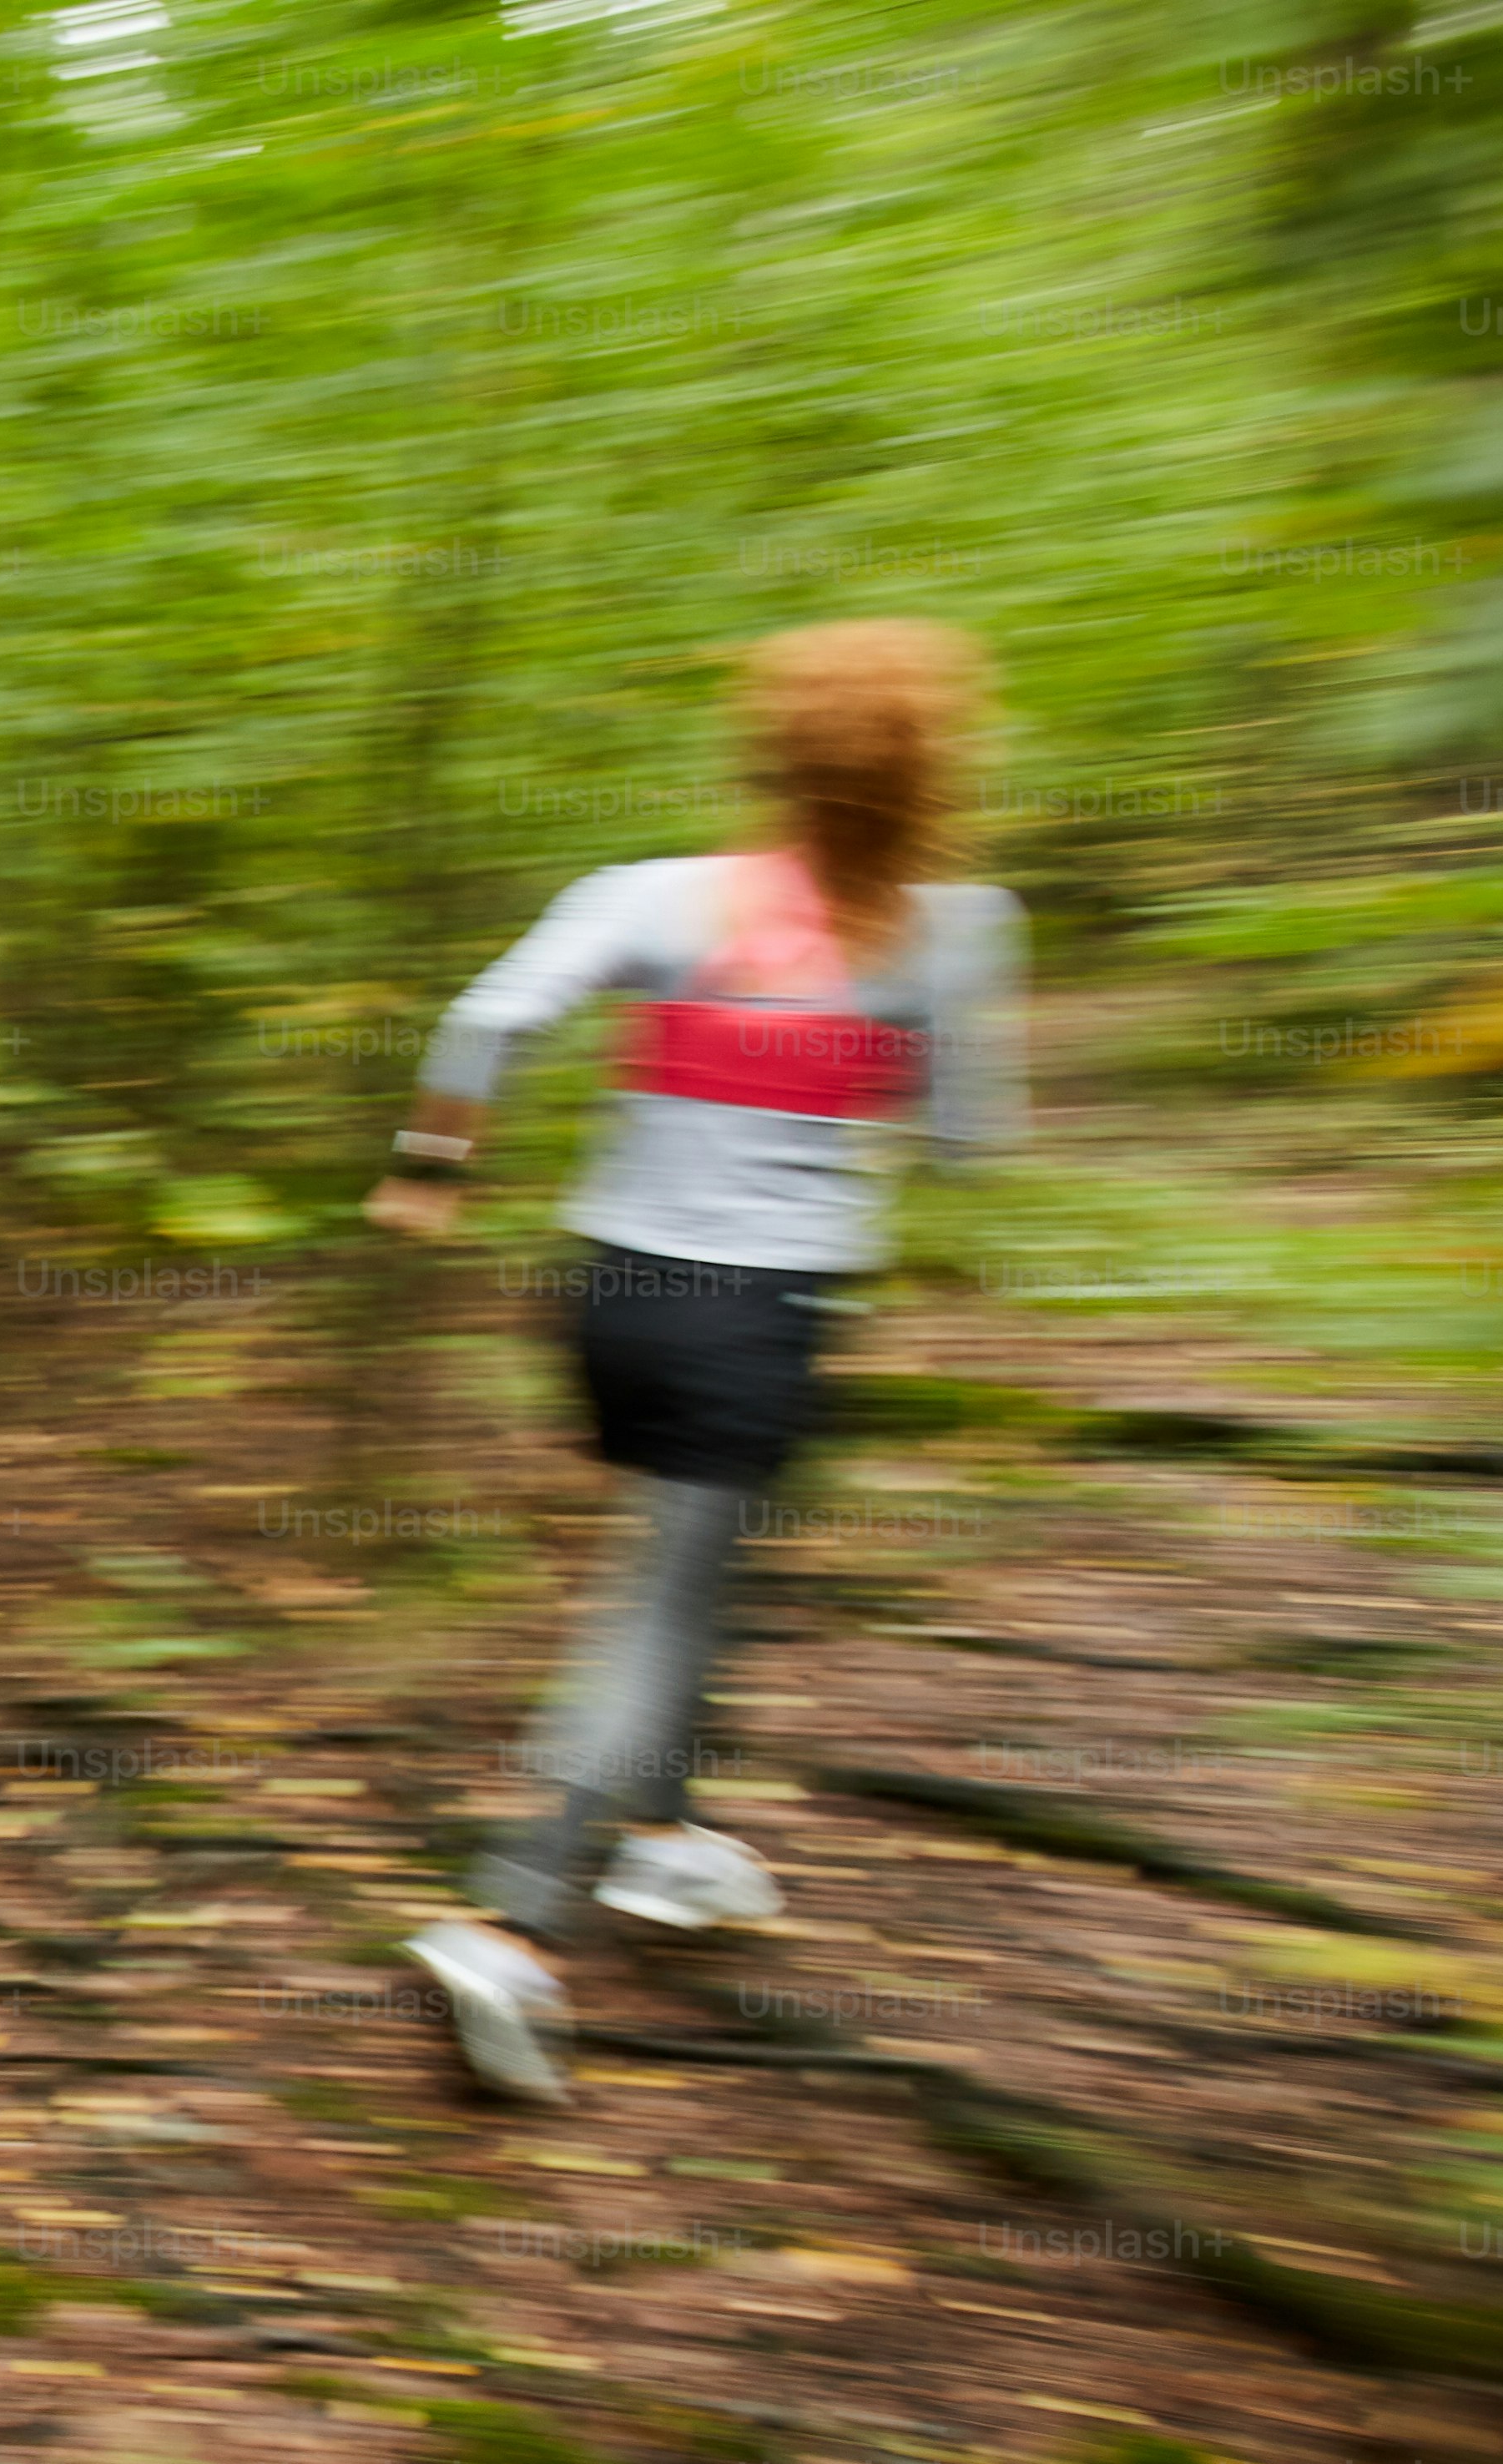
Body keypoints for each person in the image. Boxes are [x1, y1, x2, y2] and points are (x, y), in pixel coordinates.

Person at [368, 619, 1023, 2103]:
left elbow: (486, 1021)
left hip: (608, 1297)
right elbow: (975, 1146)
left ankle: (666, 1845)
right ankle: (507, 1920)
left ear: (768, 755)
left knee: (686, 1574)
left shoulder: (653, 897)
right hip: (756, 1317)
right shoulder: (956, 929)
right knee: (659, 1602)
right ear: (935, 773)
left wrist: (426, 1174)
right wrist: (882, 1060)